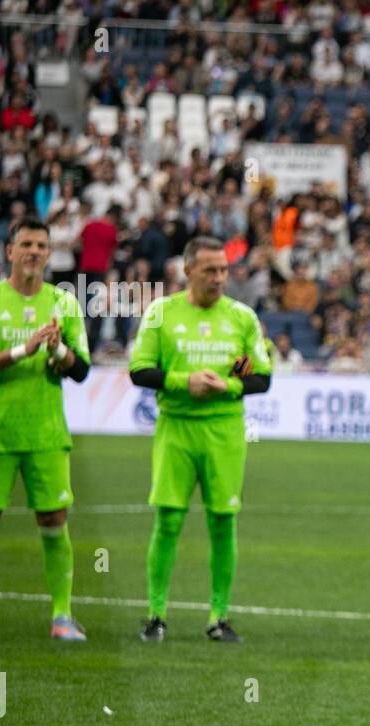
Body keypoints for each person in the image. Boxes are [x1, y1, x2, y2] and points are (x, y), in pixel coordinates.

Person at [0, 217, 91, 642]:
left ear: (49, 253)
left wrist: (57, 349)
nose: (34, 252)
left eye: (42, 245)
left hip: (46, 434)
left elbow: (80, 371)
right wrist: (27, 348)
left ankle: (62, 616)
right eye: (25, 243)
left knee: (54, 518)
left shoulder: (63, 304)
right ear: (9, 251)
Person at [128, 237, 273, 643]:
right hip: (176, 428)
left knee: (223, 522)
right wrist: (182, 381)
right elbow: (139, 370)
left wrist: (227, 385)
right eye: (210, 270)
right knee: (169, 520)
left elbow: (261, 378)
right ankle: (155, 615)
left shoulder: (242, 318)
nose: (219, 278)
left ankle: (218, 617)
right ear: (187, 271)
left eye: (224, 270)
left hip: (224, 431)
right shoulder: (161, 313)